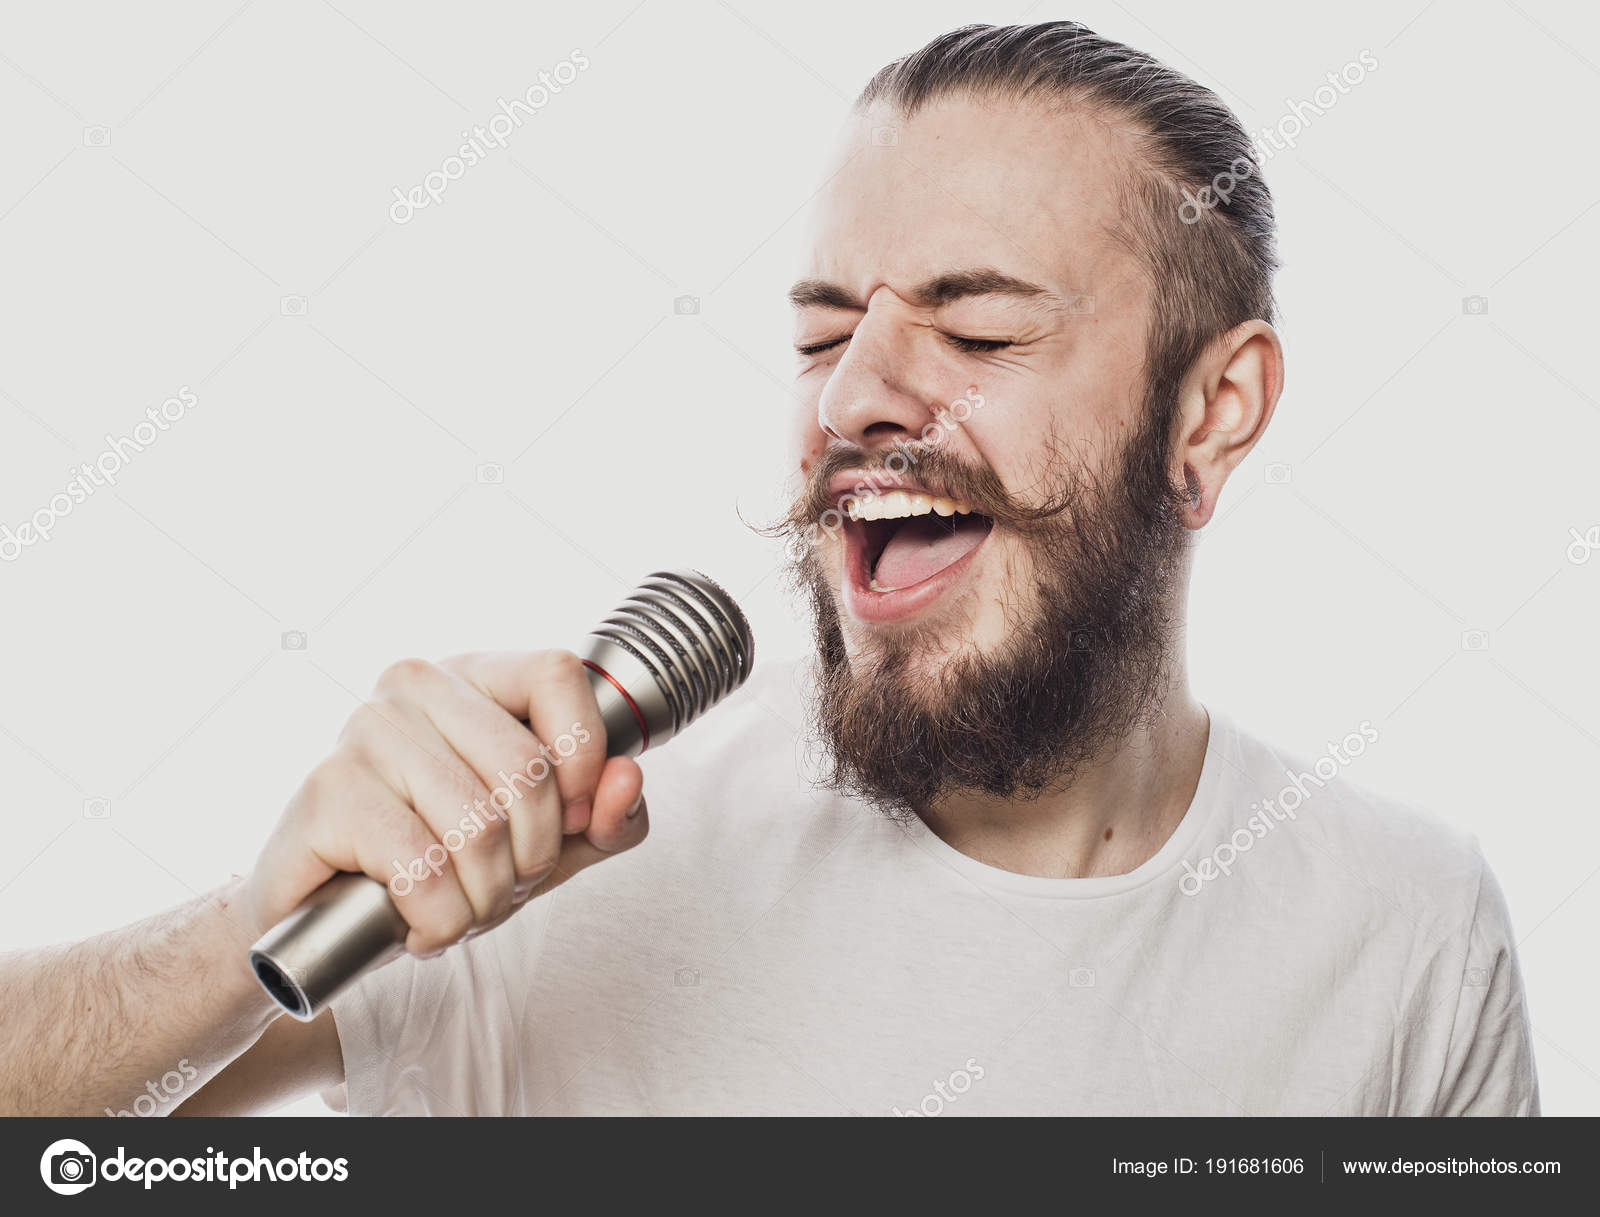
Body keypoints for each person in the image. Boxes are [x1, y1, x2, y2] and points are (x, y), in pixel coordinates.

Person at [0, 21, 1536, 1117]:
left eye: (980, 326)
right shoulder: (544, 864)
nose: (853, 395)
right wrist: (242, 930)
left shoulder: (1403, 929)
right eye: (822, 333)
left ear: (1214, 412)